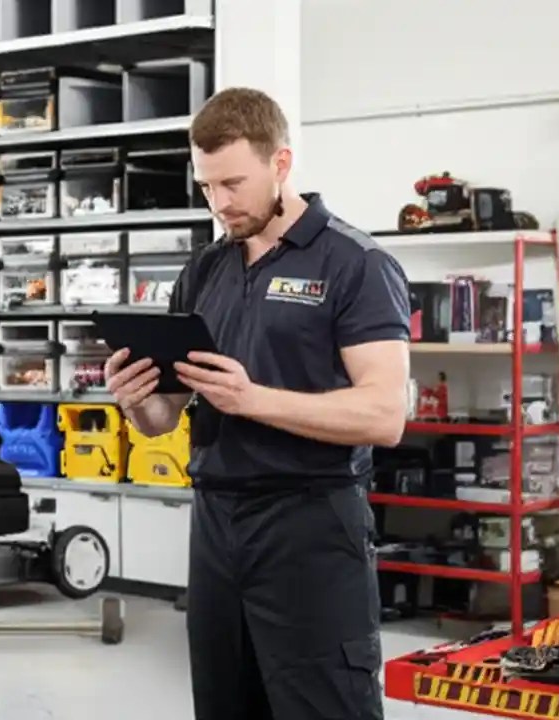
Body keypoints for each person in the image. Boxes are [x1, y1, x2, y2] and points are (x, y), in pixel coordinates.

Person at [104, 87, 411, 720]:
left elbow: (385, 416)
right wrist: (136, 402)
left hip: (311, 525)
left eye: (234, 184)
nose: (220, 204)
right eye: (207, 187)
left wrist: (252, 399)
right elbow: (165, 416)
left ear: (281, 163)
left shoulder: (355, 263)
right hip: (216, 524)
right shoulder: (205, 270)